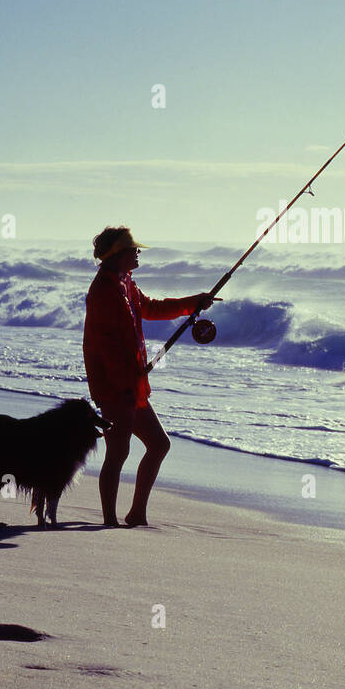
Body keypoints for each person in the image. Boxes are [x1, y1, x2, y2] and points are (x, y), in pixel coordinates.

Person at [82, 226, 215, 528]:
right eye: (134, 248)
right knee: (118, 452)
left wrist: (194, 302)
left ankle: (136, 513)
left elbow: (153, 308)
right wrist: (123, 386)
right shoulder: (103, 290)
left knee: (158, 444)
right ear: (118, 254)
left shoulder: (125, 283)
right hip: (116, 387)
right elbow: (102, 345)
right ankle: (108, 520)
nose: (138, 252)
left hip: (132, 384)